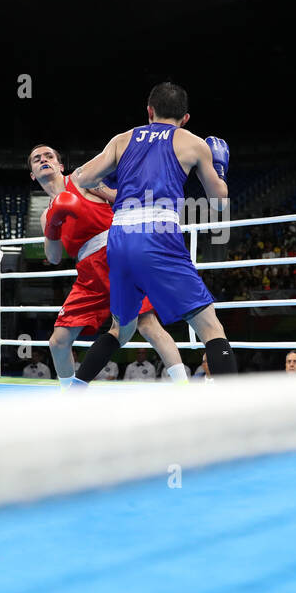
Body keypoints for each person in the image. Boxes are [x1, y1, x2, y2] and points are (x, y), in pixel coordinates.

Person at [72, 82, 237, 377]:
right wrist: (220, 167)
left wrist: (114, 192)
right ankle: (234, 407)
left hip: (119, 237)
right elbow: (220, 203)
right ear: (185, 118)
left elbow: (82, 178)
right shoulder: (193, 142)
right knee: (211, 327)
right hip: (158, 235)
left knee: (121, 329)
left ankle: (75, 391)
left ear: (149, 111)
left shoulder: (122, 140)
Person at [28, 144, 187, 387]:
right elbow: (54, 257)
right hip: (88, 274)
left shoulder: (81, 179)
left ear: (60, 165)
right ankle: (68, 397)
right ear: (32, 173)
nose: (43, 160)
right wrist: (53, 225)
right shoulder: (45, 214)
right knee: (58, 341)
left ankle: (183, 386)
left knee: (146, 322)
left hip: (116, 254)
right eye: (37, 159)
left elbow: (121, 198)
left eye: (49, 156)